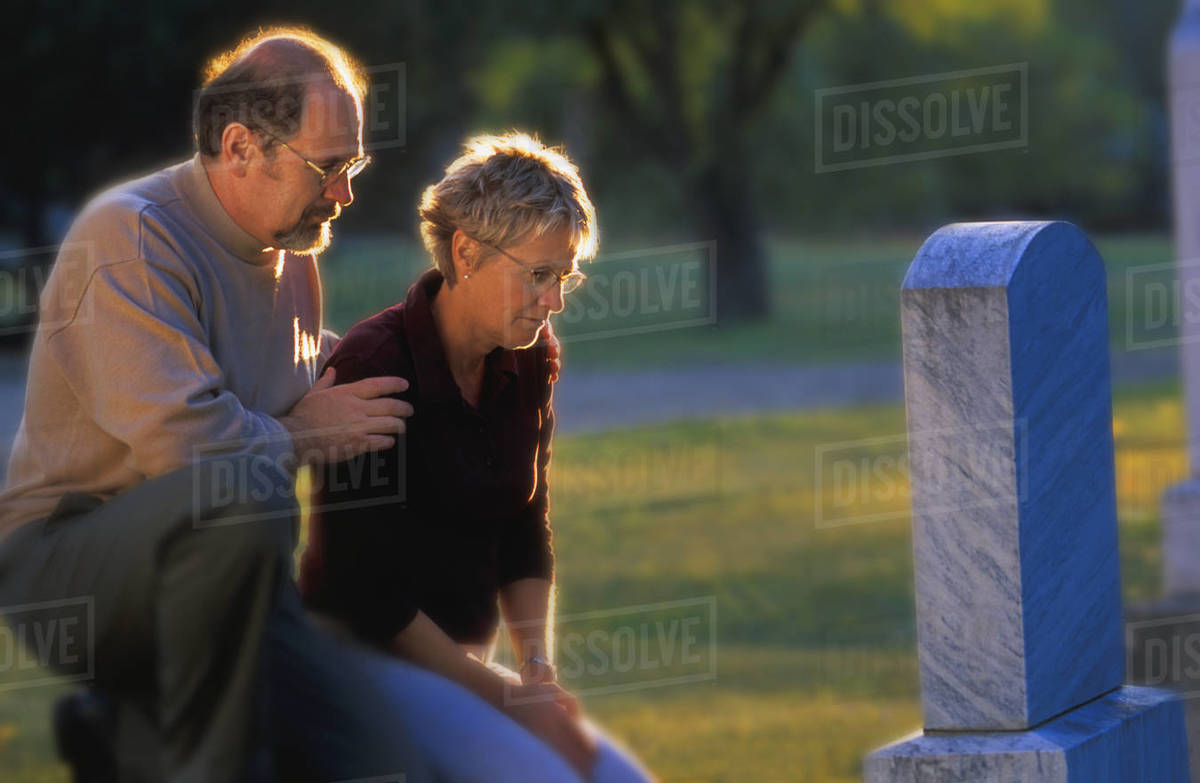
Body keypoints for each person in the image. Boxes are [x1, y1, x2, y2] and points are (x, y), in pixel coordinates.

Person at [0, 27, 439, 783]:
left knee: (386, 766)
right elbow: (188, 449)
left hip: (231, 583)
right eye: (329, 167)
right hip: (67, 570)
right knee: (241, 493)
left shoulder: (288, 253)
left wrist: (425, 359)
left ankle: (127, 732)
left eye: (354, 165)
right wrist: (302, 438)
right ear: (239, 148)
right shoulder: (131, 237)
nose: (345, 193)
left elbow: (304, 374)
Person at [300, 133, 656, 783]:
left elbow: (526, 521)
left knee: (618, 778)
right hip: (362, 663)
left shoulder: (529, 355)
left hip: (464, 668)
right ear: (466, 253)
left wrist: (536, 671)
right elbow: (369, 597)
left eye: (564, 277)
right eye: (538, 275)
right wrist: (508, 699)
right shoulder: (375, 364)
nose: (555, 301)